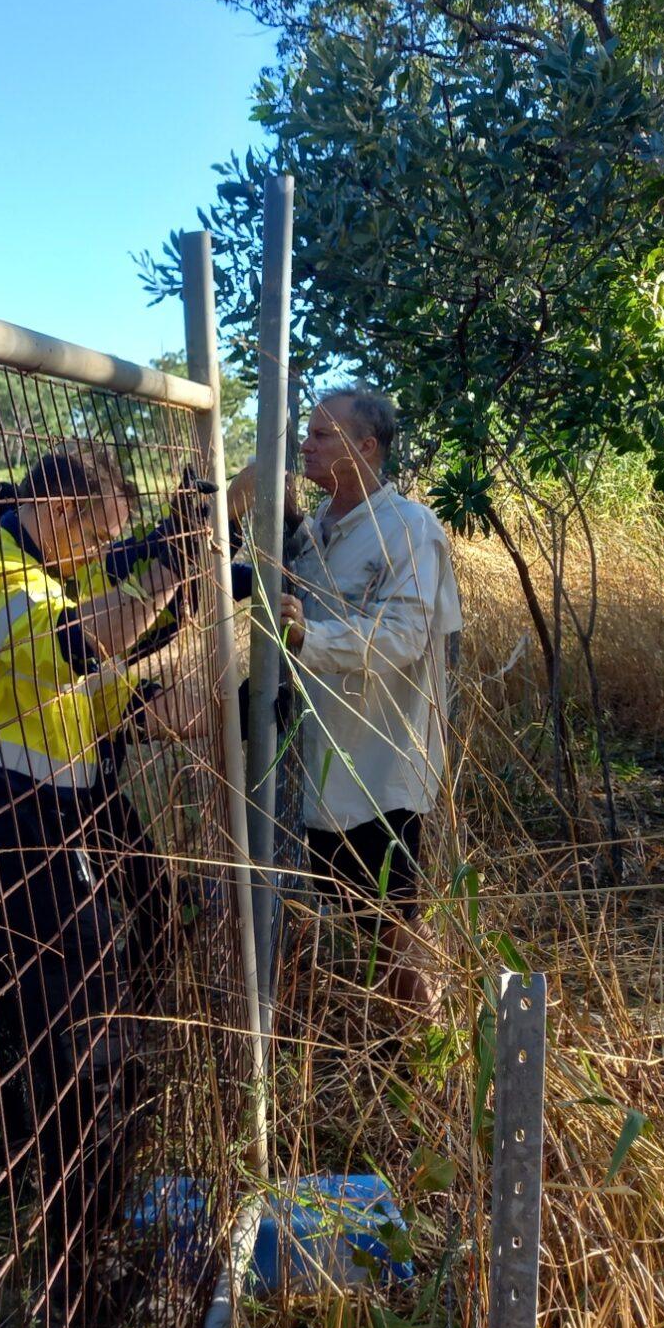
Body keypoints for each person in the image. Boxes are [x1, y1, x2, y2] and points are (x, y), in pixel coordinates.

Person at [0, 449, 210, 1328]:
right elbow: (81, 645)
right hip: (0, 833)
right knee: (76, 1043)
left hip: (30, 832)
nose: (99, 550)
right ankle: (75, 1283)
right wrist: (173, 561)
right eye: (97, 529)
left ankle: (25, 1192)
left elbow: (106, 694)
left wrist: (216, 696)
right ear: (56, 505)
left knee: (32, 1020)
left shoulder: (40, 577)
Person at [274, 390, 462, 1010]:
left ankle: (424, 1053)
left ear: (366, 448)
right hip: (325, 764)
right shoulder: (317, 532)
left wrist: (309, 636)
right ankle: (386, 1044)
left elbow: (406, 634)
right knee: (359, 914)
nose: (307, 444)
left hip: (382, 768)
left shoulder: (409, 528)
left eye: (322, 435)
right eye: (308, 434)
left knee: (394, 923)